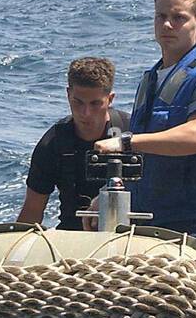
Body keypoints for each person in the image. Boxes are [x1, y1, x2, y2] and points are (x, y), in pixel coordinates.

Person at [95, 0, 196, 248]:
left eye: (178, 18)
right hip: (147, 218)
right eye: (161, 17)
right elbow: (144, 154)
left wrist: (126, 142)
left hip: (195, 223)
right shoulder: (152, 79)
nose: (167, 25)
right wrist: (110, 196)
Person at [19, 57, 129, 230]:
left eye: (95, 104)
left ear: (110, 99)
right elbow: (32, 211)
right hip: (73, 238)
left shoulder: (132, 133)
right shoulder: (53, 143)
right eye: (78, 102)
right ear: (68, 95)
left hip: (129, 236)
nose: (86, 113)